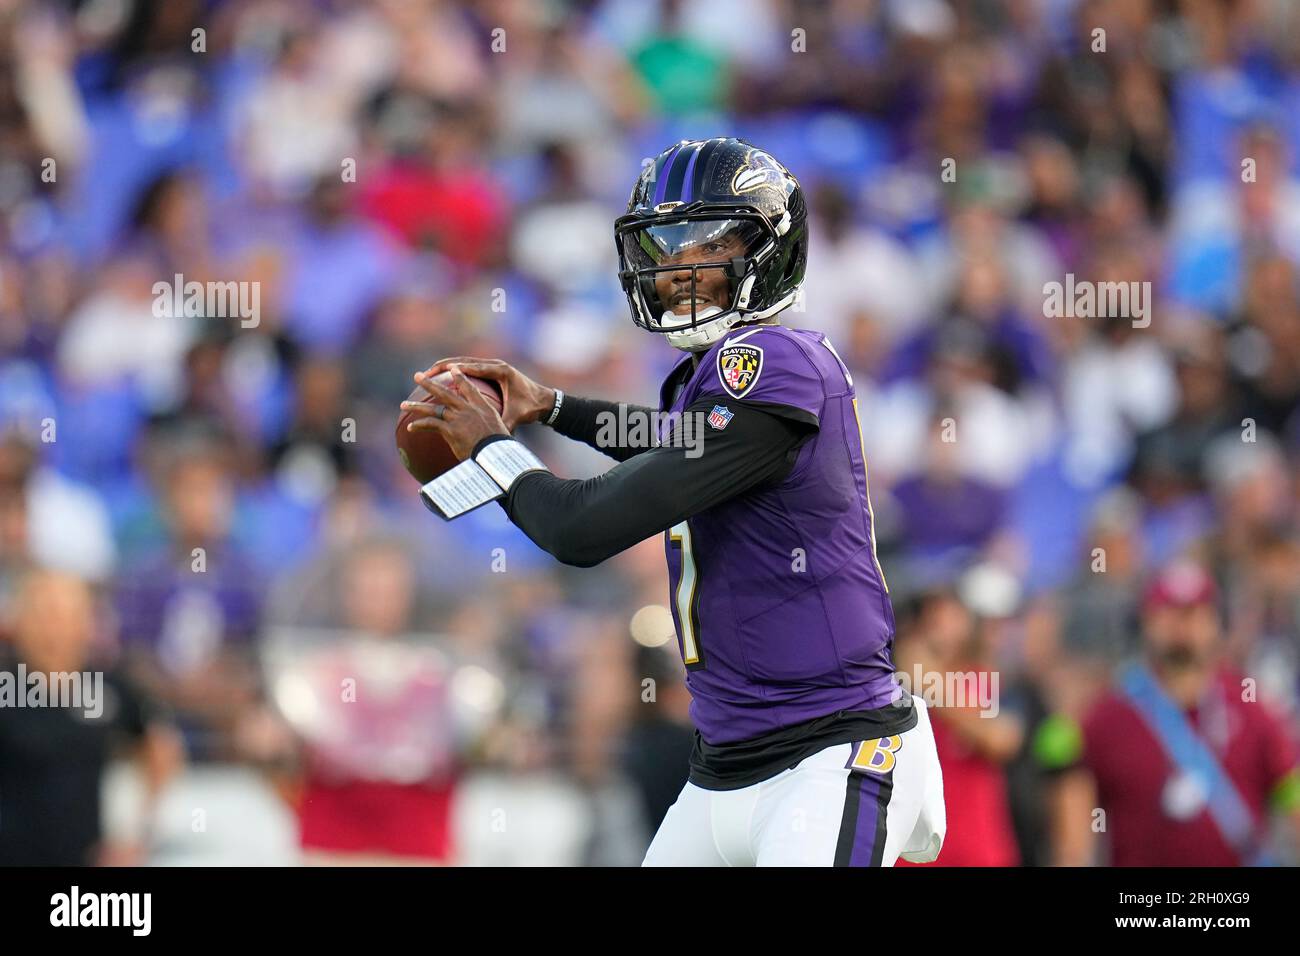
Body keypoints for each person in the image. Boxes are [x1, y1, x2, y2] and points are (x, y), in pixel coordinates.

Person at [402, 138, 945, 866]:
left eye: (707, 243)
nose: (678, 268)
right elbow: (671, 440)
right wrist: (553, 405)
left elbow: (583, 527)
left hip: (830, 752)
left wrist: (490, 449)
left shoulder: (778, 360)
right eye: (664, 246)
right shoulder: (708, 383)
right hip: (721, 769)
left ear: (769, 250)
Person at [1051, 560, 1300, 866]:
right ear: (1145, 621)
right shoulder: (1107, 716)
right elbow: (1074, 839)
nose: (1182, 627)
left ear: (1215, 623)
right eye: (1167, 613)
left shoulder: (1253, 708)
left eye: (1194, 613)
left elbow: (1292, 793)